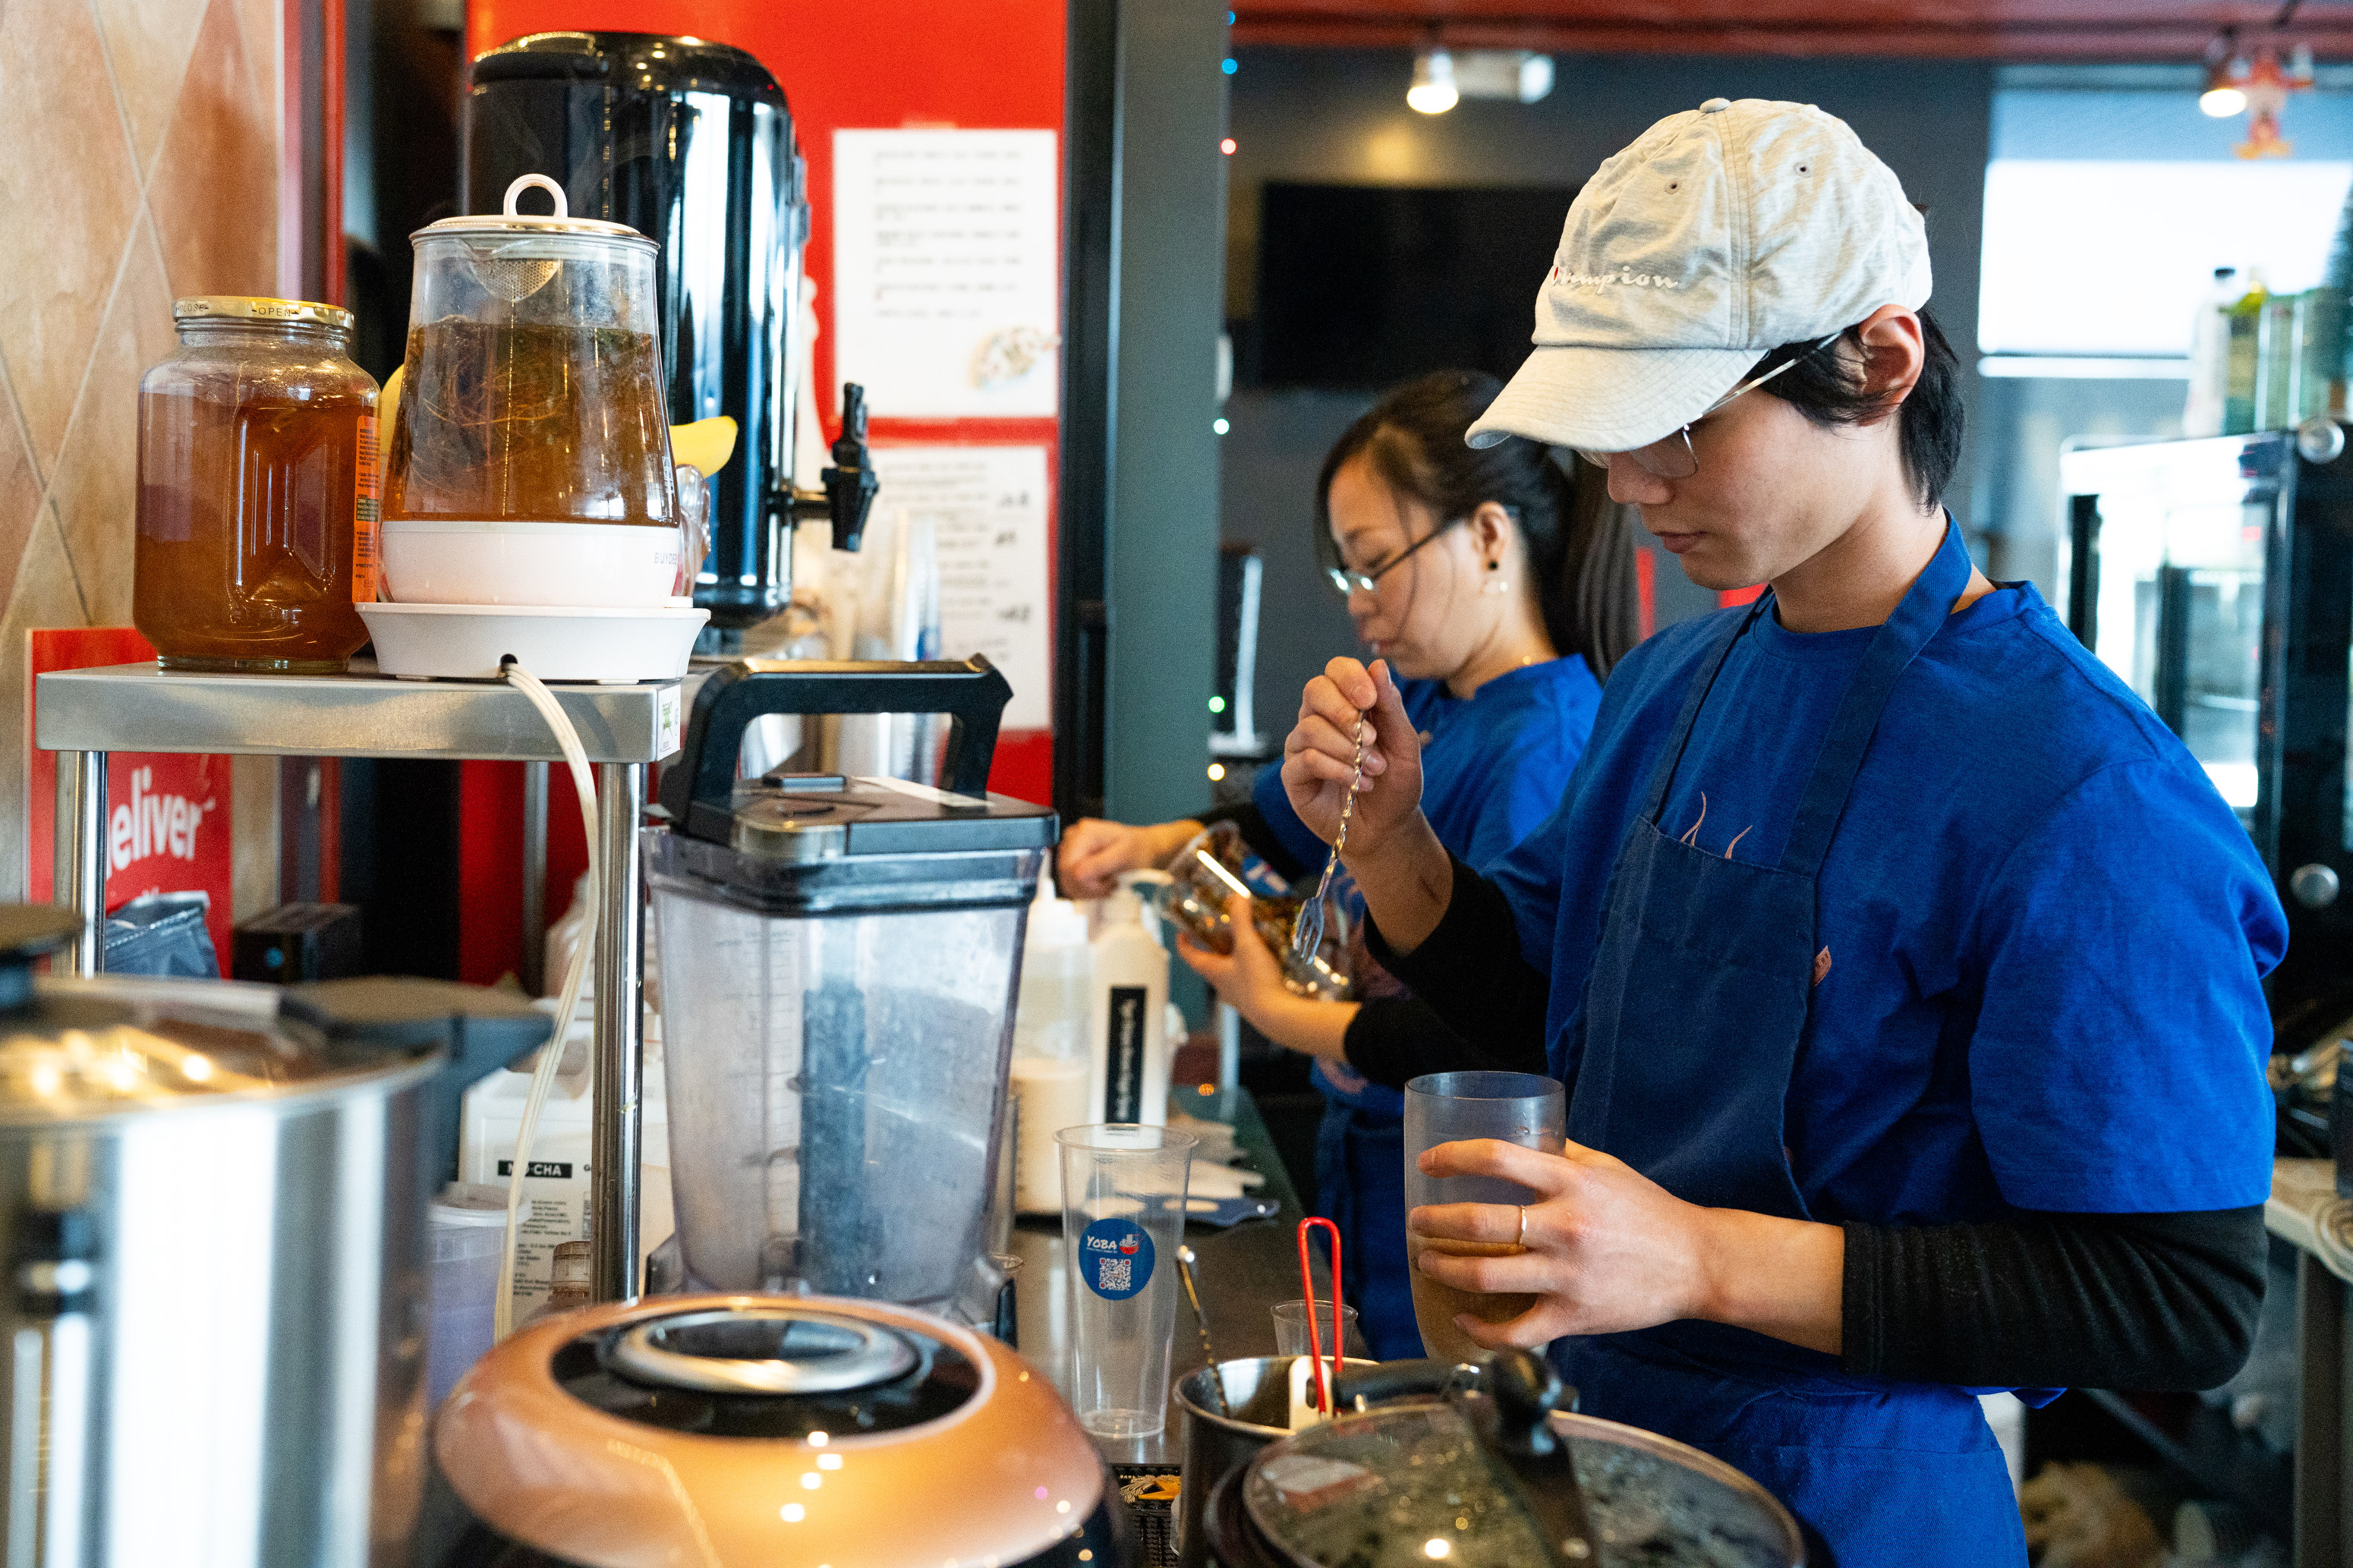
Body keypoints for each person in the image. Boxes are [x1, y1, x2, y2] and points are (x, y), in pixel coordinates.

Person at [1279, 99, 2279, 1566]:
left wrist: (1698, 1258)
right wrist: (1392, 848)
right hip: (1594, 1457)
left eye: (1679, 425)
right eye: (1611, 437)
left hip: (1851, 1497)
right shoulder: (1680, 686)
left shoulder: (2079, 790)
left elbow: (2177, 1294)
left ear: (1878, 362)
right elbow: (1546, 1008)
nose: (1627, 486)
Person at [1057, 369, 1637, 1358]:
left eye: (1376, 564)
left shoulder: (1543, 744)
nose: (1361, 606)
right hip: (1369, 1173)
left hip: (1456, 1198)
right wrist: (1144, 845)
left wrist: (1277, 1009)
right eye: (1347, 577)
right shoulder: (1439, 704)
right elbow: (1282, 824)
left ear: (1491, 536)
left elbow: (1492, 1028)